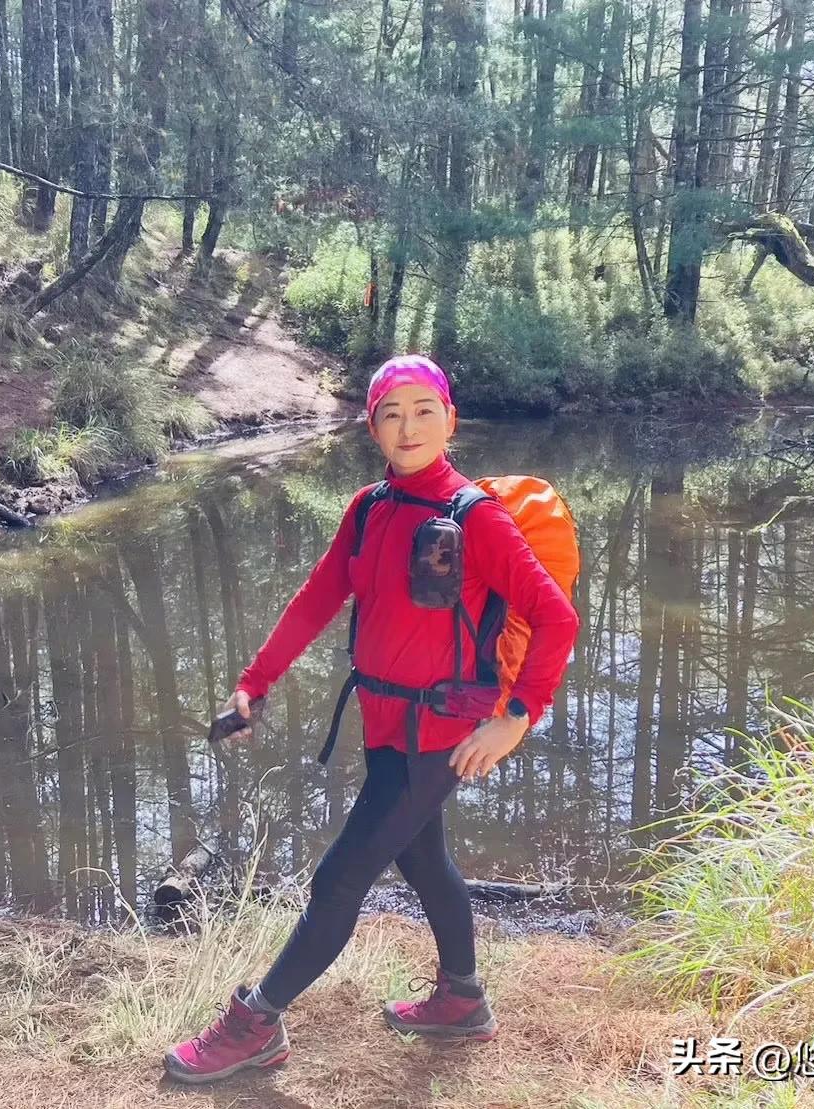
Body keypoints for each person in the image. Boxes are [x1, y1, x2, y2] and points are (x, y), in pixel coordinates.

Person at [164, 355, 581, 1084]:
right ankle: (462, 1000)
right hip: (387, 726)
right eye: (391, 412)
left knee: (338, 878)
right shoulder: (367, 507)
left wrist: (517, 715)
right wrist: (252, 685)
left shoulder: (474, 520)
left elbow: (555, 616)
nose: (408, 425)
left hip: (442, 734)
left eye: (424, 410)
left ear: (450, 420)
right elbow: (315, 600)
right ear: (371, 426)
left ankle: (255, 1023)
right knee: (423, 859)